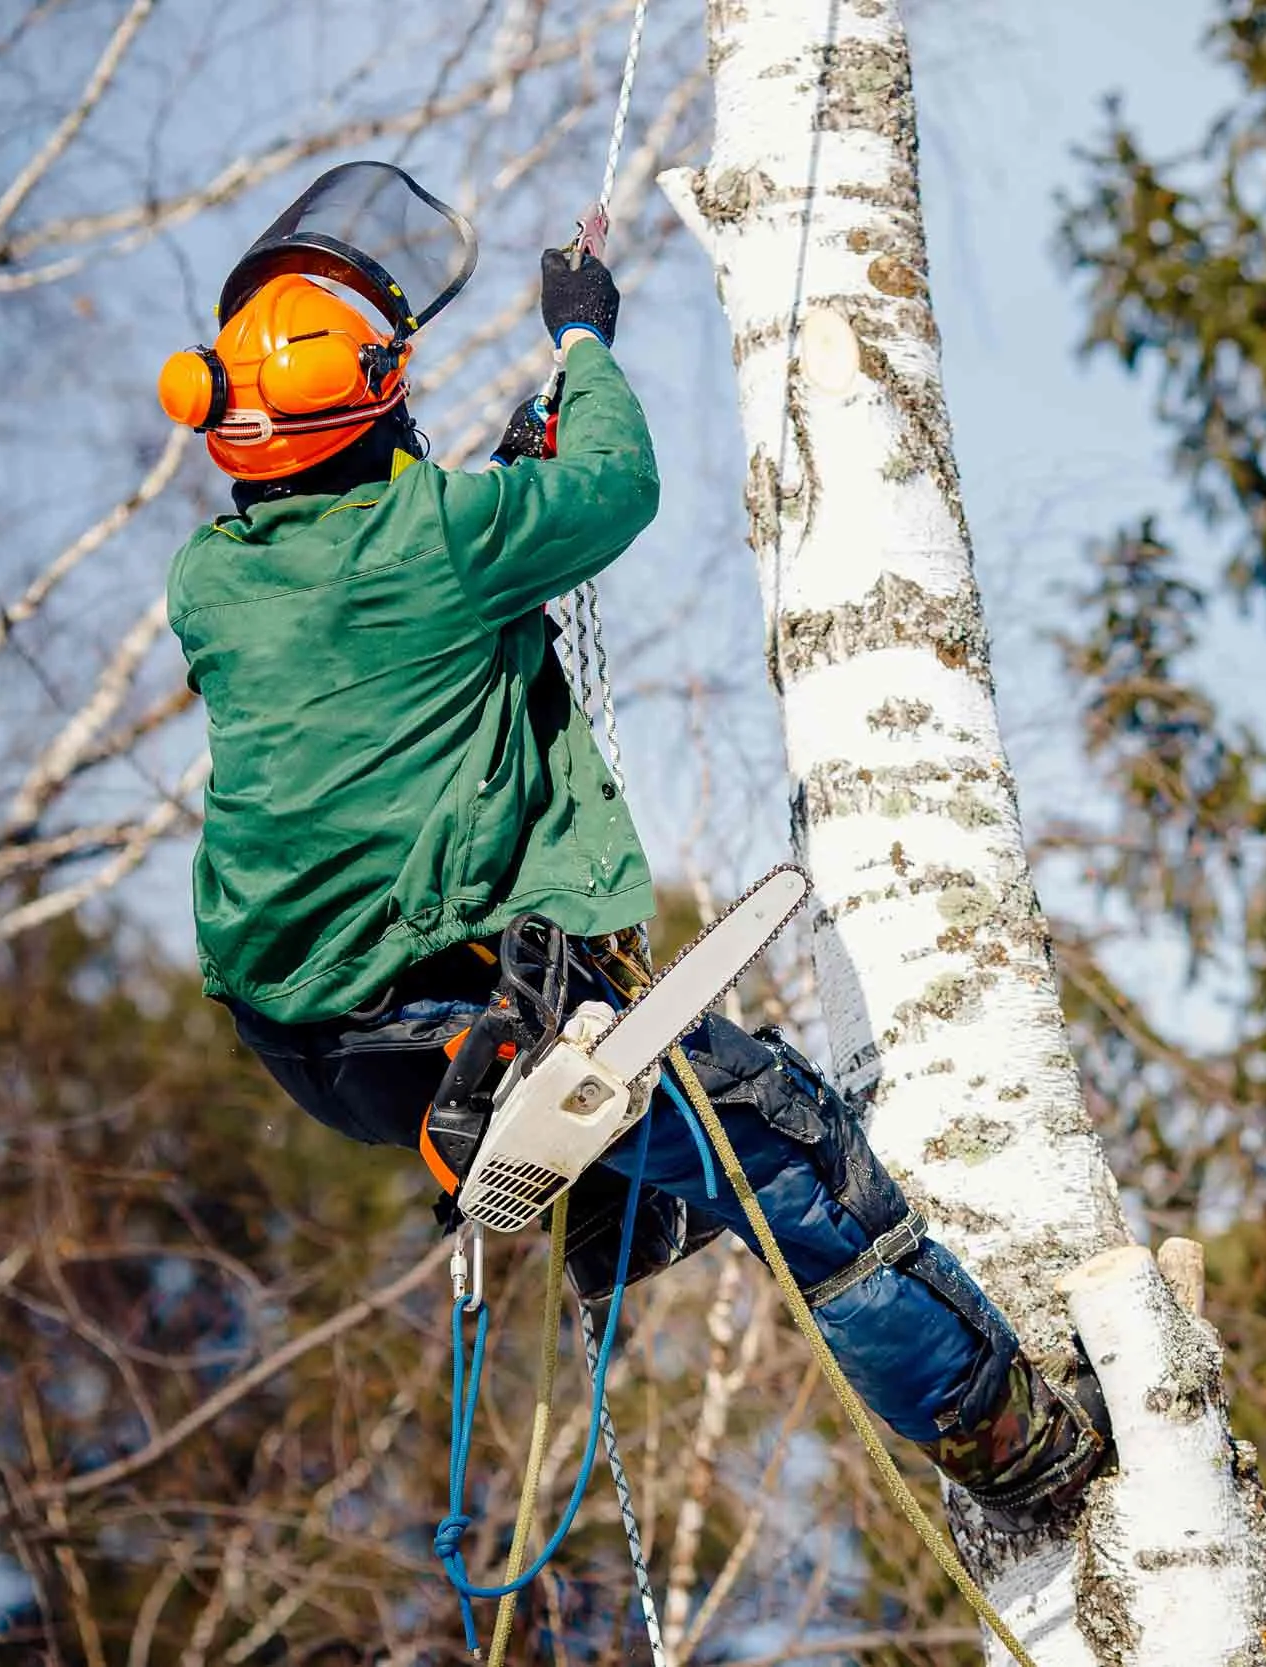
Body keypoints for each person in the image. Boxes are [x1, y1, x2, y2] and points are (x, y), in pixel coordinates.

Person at [157, 189, 1106, 1531]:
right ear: (370, 407)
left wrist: (495, 474)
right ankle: (1010, 1437)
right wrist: (583, 346)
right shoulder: (444, 539)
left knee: (631, 1074)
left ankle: (611, 1198)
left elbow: (388, 592)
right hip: (441, 1004)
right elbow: (609, 489)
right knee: (782, 1139)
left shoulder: (213, 579)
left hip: (305, 1035)